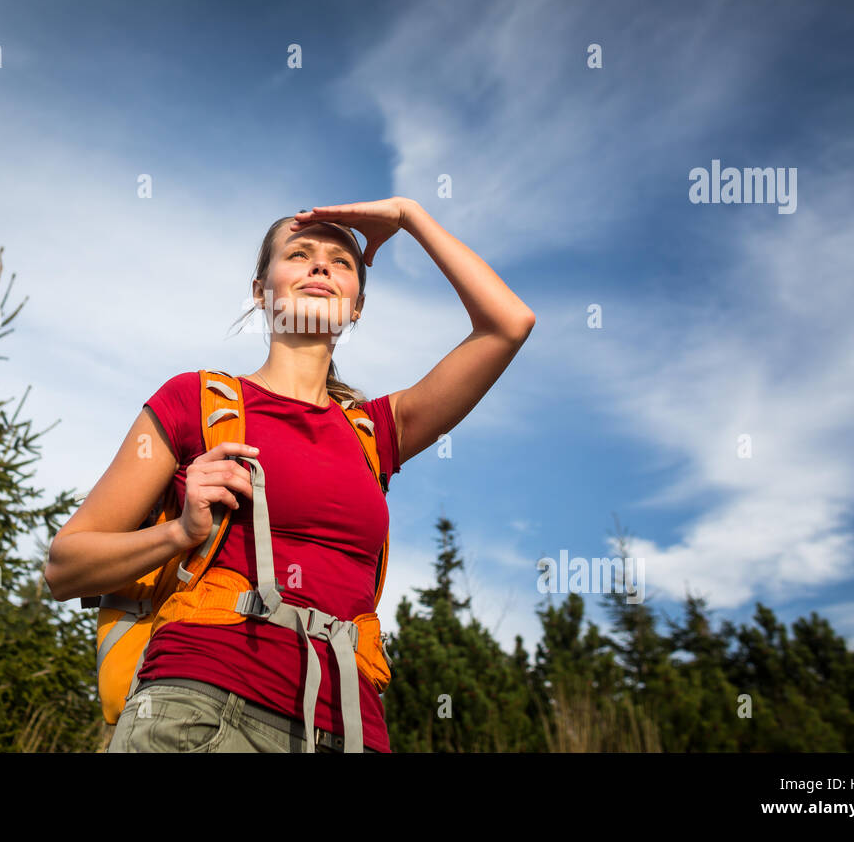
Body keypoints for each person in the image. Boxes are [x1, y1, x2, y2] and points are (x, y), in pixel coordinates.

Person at [44, 196, 536, 752]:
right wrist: (179, 533)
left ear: (357, 307)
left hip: (352, 728)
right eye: (299, 254)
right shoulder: (193, 400)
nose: (321, 266)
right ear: (261, 292)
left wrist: (408, 216)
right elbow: (65, 566)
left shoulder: (377, 431)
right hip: (201, 706)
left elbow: (508, 324)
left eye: (341, 261)